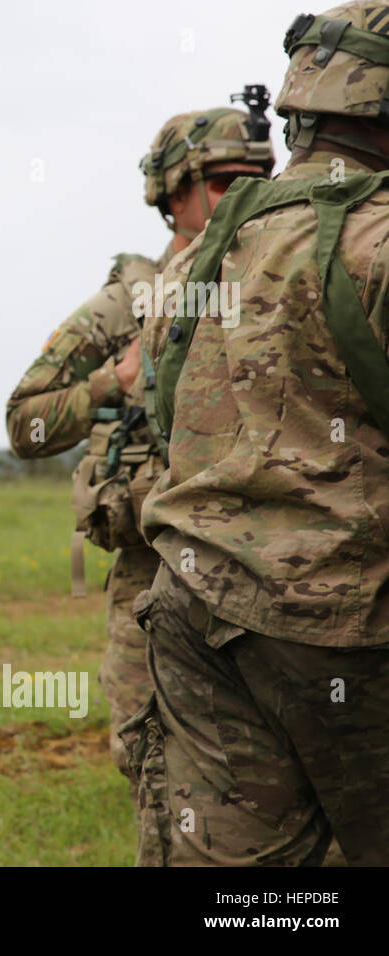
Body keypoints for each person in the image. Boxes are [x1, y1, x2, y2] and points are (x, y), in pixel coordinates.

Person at [133, 1, 389, 865]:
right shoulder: (376, 239)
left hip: (196, 603)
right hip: (341, 625)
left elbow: (168, 407)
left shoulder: (228, 239)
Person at [5, 102, 273, 797]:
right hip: (154, 581)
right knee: (158, 770)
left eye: (258, 181)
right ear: (174, 192)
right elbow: (25, 421)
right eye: (224, 183)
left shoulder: (294, 282)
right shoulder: (132, 298)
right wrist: (112, 382)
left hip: (278, 583)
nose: (242, 200)